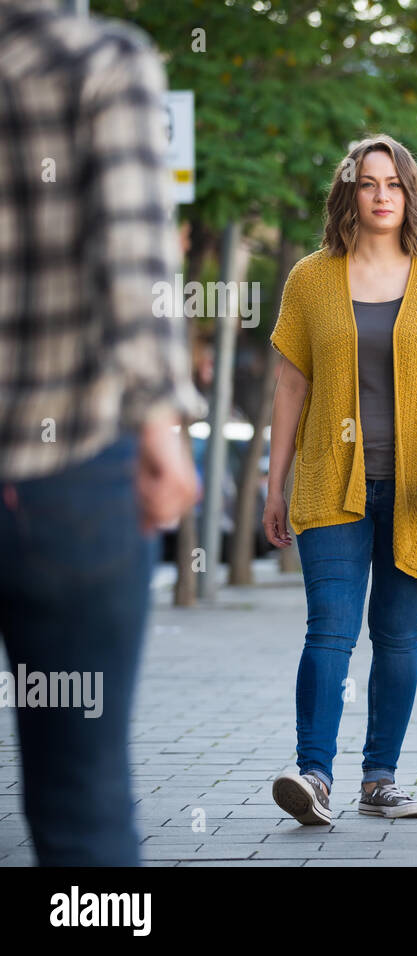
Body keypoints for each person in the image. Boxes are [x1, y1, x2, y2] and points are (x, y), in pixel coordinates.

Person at [0, 1, 204, 866]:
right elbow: (132, 261)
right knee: (81, 791)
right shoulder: (95, 59)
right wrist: (162, 425)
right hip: (64, 467)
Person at [265, 135, 417, 826]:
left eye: (394, 182)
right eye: (368, 183)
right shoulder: (311, 277)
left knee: (398, 635)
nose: (382, 194)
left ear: (410, 192)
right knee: (329, 630)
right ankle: (313, 773)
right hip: (333, 481)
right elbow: (289, 385)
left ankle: (381, 777)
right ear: (350, 193)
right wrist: (275, 484)